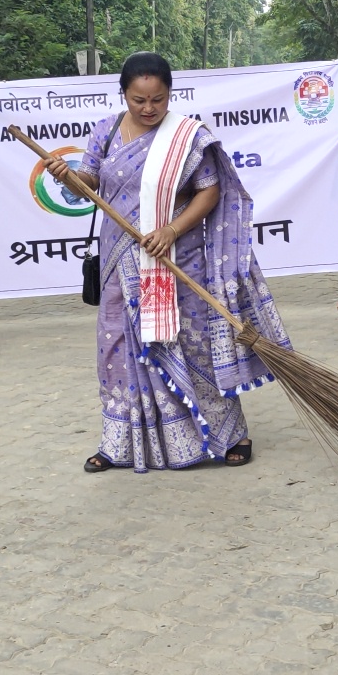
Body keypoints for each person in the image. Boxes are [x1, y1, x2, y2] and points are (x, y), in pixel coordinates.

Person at [62, 52, 289, 472]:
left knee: (191, 344)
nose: (148, 109)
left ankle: (231, 436)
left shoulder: (186, 137)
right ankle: (119, 444)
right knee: (116, 350)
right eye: (138, 100)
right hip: (120, 262)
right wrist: (70, 177)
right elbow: (90, 182)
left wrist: (171, 230)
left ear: (170, 95)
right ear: (123, 95)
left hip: (173, 258)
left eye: (158, 100)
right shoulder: (105, 133)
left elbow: (209, 191)